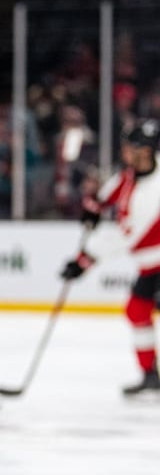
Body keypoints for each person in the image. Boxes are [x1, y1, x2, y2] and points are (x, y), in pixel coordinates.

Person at [63, 119, 160, 396]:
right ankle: (150, 375)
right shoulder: (134, 173)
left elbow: (123, 237)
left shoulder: (151, 195)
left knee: (139, 309)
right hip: (151, 264)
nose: (125, 151)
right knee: (137, 310)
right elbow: (116, 188)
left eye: (131, 147)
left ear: (145, 151)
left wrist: (84, 261)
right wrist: (96, 205)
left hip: (157, 261)